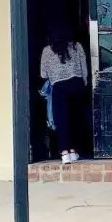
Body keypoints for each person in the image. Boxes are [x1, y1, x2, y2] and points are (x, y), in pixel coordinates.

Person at [40, 26, 89, 164]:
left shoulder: (47, 51)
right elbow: (84, 68)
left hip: (59, 87)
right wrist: (84, 82)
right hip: (77, 84)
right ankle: (74, 150)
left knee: (62, 120)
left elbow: (43, 74)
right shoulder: (76, 46)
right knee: (76, 119)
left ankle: (64, 152)